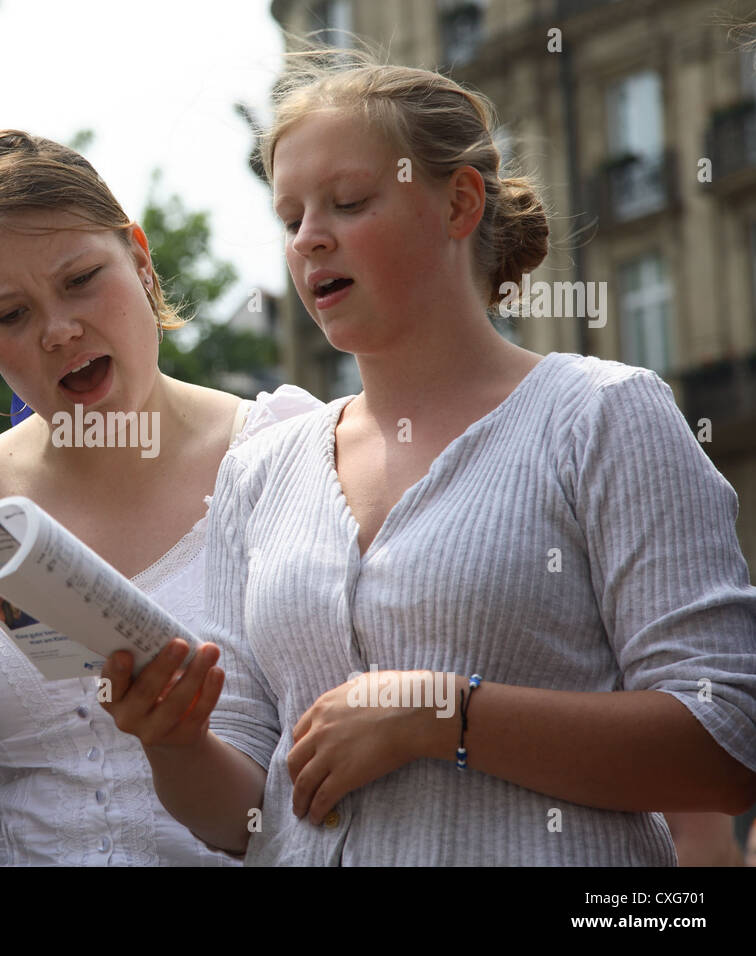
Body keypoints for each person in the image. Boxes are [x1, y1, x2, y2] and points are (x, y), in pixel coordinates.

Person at [100, 47, 756, 865]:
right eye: (291, 216)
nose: (308, 240)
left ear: (460, 204)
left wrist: (438, 715)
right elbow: (250, 818)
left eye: (348, 202)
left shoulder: (602, 415)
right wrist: (171, 741)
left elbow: (726, 740)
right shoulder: (260, 470)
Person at [0, 129, 321, 865]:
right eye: (10, 314)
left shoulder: (286, 451)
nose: (60, 329)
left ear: (139, 258)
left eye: (81, 279)